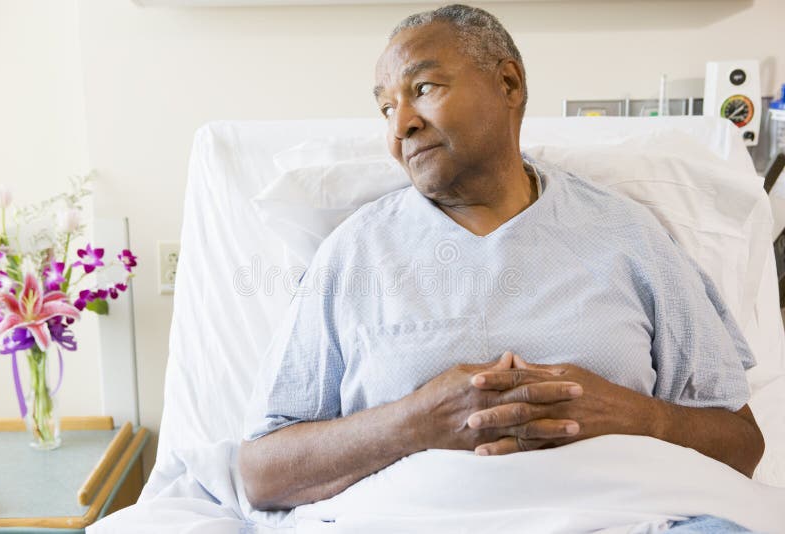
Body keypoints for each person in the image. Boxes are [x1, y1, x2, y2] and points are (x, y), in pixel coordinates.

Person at [239, 3, 764, 518]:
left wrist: (631, 415)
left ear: (509, 84)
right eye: (385, 108)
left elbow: (742, 444)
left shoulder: (630, 236)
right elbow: (263, 474)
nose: (400, 126)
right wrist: (413, 423)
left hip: (624, 518)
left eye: (423, 89)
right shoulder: (354, 253)